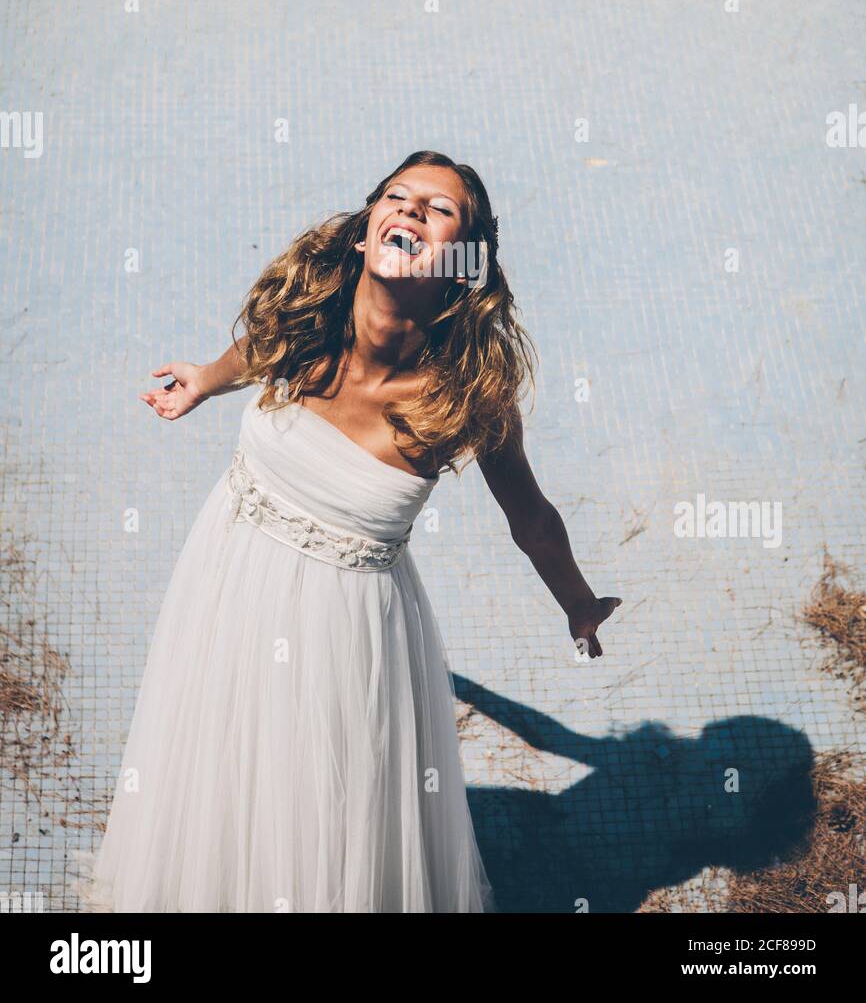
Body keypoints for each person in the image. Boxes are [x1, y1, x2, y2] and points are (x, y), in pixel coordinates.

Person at [73, 150, 621, 913]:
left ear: (462, 262)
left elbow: (530, 517)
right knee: (222, 757)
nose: (412, 210)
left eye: (439, 208)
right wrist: (204, 377)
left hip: (344, 631)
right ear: (366, 233)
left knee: (315, 798)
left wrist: (579, 604)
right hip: (227, 572)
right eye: (398, 197)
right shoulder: (305, 312)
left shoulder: (468, 396)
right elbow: (258, 347)